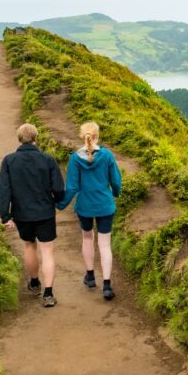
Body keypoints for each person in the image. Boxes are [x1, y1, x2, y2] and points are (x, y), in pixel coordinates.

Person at [0, 123, 65, 307]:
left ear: (20, 139)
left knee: (29, 245)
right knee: (48, 251)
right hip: (45, 212)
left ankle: (35, 283)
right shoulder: (48, 160)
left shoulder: (9, 161)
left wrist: (6, 216)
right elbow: (59, 188)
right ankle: (48, 294)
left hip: (22, 213)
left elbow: (4, 190)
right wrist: (59, 201)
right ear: (36, 138)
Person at [56, 121, 122, 301]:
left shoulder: (75, 158)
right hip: (105, 205)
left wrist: (61, 205)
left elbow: (71, 187)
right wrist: (116, 193)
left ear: (82, 136)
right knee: (105, 244)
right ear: (97, 136)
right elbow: (116, 181)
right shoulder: (107, 155)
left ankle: (90, 276)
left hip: (85, 206)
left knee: (87, 238)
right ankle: (107, 285)